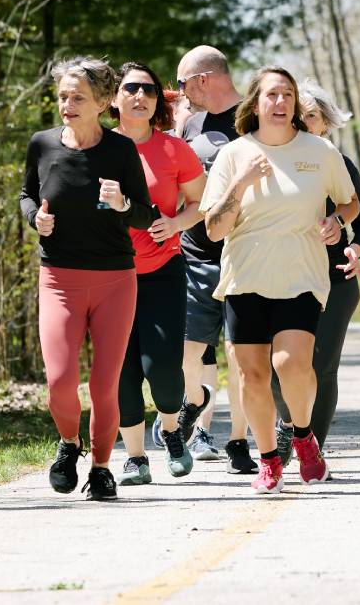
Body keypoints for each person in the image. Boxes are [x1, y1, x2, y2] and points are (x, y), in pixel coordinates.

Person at [200, 66, 359, 494]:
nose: (281, 102)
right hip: (245, 277)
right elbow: (213, 229)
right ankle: (269, 460)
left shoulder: (319, 151)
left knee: (291, 364)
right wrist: (241, 182)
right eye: (271, 94)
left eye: (287, 94)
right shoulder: (234, 154)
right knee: (252, 376)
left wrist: (336, 221)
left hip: (301, 274)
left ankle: (303, 436)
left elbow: (350, 203)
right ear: (255, 104)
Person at [19, 57, 158, 501]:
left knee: (103, 385)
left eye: (78, 97)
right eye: (63, 96)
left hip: (115, 280)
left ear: (101, 102)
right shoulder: (42, 144)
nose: (67, 104)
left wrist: (122, 205)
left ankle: (100, 467)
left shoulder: (120, 151)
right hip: (59, 279)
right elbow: (26, 195)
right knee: (59, 380)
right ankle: (68, 443)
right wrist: (34, 220)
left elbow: (145, 214)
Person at [109, 62, 209, 486]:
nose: (140, 96)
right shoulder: (98, 149)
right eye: (131, 88)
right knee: (121, 371)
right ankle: (135, 458)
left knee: (163, 367)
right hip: (108, 275)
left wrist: (175, 224)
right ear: (113, 98)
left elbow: (202, 203)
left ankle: (170, 430)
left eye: (149, 90)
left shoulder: (173, 149)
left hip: (162, 270)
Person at [266, 78, 360, 458]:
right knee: (279, 367)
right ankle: (288, 424)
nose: (303, 121)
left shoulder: (339, 164)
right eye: (298, 115)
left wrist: (354, 248)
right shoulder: (272, 162)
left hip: (334, 279)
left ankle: (314, 450)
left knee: (322, 368)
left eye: (311, 116)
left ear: (325, 123)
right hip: (282, 279)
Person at [171, 45, 256, 473]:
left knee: (239, 355)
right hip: (196, 255)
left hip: (245, 254)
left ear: (203, 79)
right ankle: (193, 402)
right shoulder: (190, 125)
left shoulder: (255, 119)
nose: (181, 92)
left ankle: (239, 440)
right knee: (187, 351)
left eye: (183, 83)